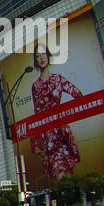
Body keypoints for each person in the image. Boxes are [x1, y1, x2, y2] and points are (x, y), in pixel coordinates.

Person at [29, 41, 83, 182]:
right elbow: (37, 114)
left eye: (43, 54)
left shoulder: (58, 79)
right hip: (48, 137)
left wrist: (67, 113)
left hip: (62, 132)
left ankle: (78, 203)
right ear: (35, 61)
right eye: (37, 56)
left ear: (48, 56)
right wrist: (36, 143)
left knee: (70, 175)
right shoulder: (35, 86)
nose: (41, 58)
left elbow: (78, 94)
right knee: (58, 175)